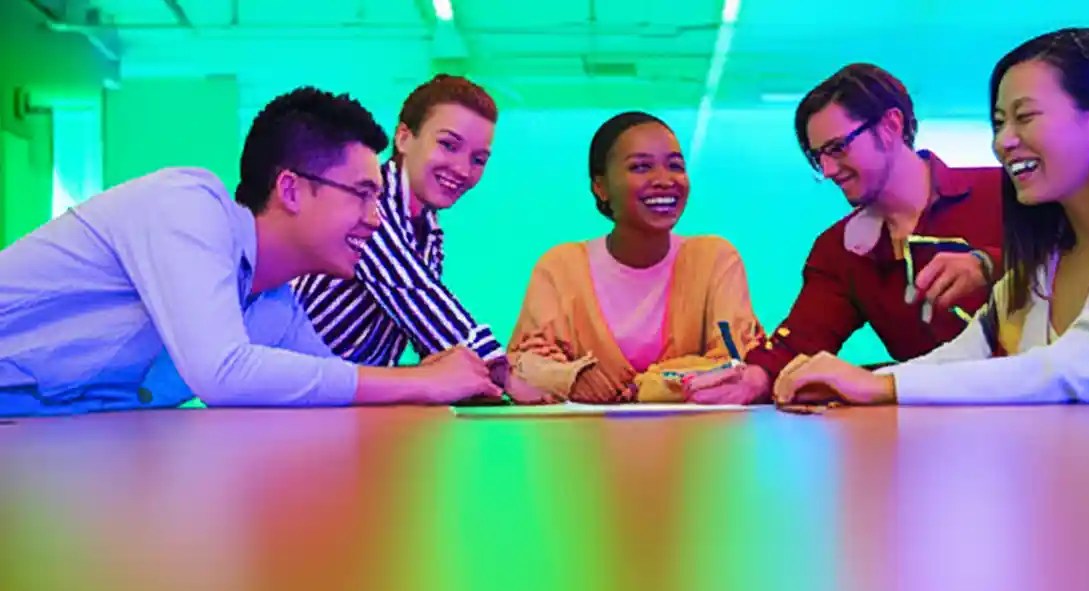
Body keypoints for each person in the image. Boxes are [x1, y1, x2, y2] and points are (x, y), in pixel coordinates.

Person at [773, 28, 1089, 406]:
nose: (1004, 141)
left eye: (1025, 117)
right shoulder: (1044, 261)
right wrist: (856, 383)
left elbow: (1079, 368)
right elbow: (960, 356)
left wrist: (880, 387)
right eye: (1000, 122)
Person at [0, 87, 501, 417]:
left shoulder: (274, 307)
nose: (375, 217)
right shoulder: (186, 207)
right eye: (362, 195)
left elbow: (334, 387)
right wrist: (424, 381)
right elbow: (222, 373)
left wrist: (426, 378)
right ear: (291, 189)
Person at [686, 63, 1005, 405]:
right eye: (817, 156)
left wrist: (989, 264)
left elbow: (1064, 279)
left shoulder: (1005, 195)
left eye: (838, 148)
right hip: (930, 431)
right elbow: (802, 340)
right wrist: (755, 376)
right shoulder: (839, 250)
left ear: (891, 125)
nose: (828, 170)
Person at [505, 111, 764, 403]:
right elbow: (523, 369)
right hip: (580, 443)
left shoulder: (715, 259)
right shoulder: (560, 267)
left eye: (675, 166)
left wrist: (646, 387)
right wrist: (572, 378)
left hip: (696, 442)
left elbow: (734, 364)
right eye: (641, 167)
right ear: (600, 186)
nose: (664, 180)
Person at [293, 74, 517, 388]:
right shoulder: (368, 204)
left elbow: (426, 334)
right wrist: (503, 371)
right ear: (403, 138)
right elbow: (420, 297)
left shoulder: (429, 233)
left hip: (340, 400)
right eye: (448, 145)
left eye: (478, 159)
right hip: (285, 401)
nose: (463, 170)